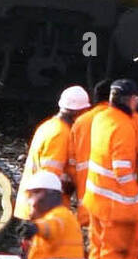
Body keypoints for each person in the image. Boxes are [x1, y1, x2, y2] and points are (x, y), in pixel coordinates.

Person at [82, 78, 138, 259]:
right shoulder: (123, 126)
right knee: (115, 254)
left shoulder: (101, 118)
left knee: (100, 252)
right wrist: (137, 206)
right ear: (129, 99)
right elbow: (123, 171)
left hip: (97, 199)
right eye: (136, 98)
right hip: (116, 205)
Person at [14, 85, 91, 220]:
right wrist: (71, 184)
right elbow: (49, 177)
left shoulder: (49, 126)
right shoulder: (60, 134)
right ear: (78, 112)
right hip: (43, 211)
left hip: (36, 207)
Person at [67, 79, 110, 228]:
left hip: (86, 208)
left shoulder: (80, 123)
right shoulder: (120, 121)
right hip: (113, 210)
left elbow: (71, 165)